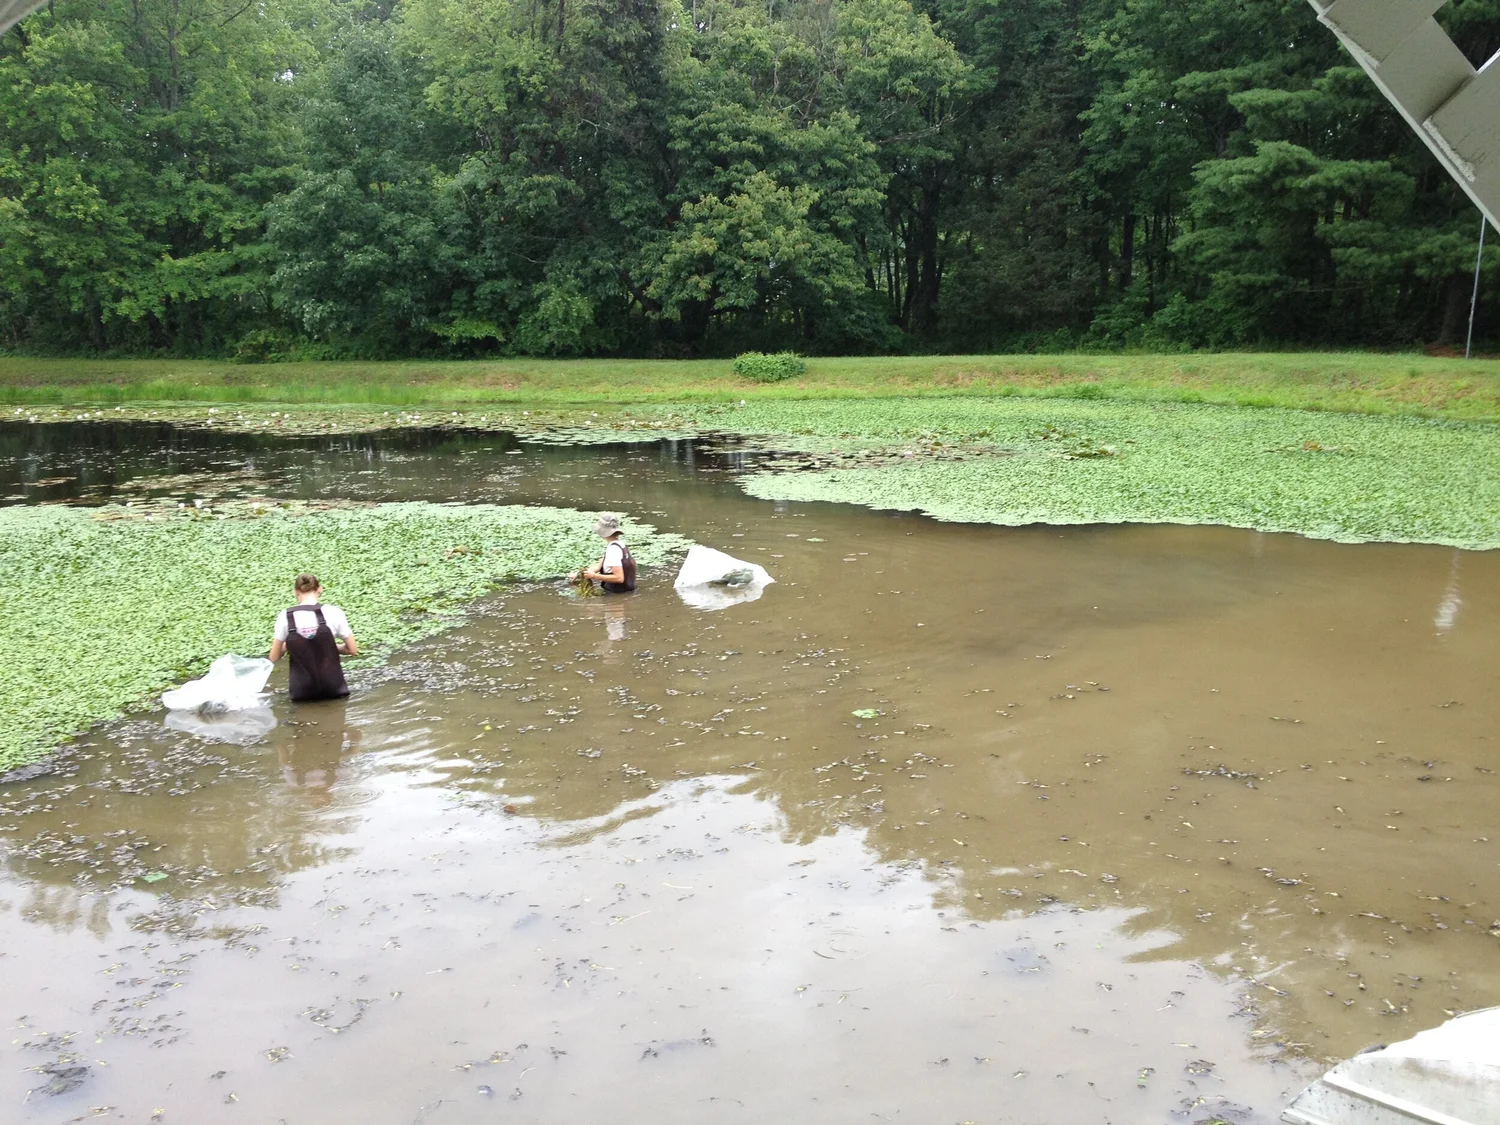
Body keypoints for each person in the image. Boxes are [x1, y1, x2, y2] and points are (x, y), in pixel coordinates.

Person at [268, 574, 358, 702]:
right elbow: (353, 650)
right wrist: (332, 646)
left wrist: (292, 645)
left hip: (301, 693)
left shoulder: (285, 617)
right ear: (319, 589)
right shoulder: (334, 612)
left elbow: (274, 656)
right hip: (334, 689)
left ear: (295, 592)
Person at [573, 514, 636, 593]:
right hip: (629, 589)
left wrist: (594, 576)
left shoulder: (613, 550)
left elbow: (619, 578)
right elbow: (598, 566)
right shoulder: (620, 545)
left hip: (616, 593)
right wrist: (579, 575)